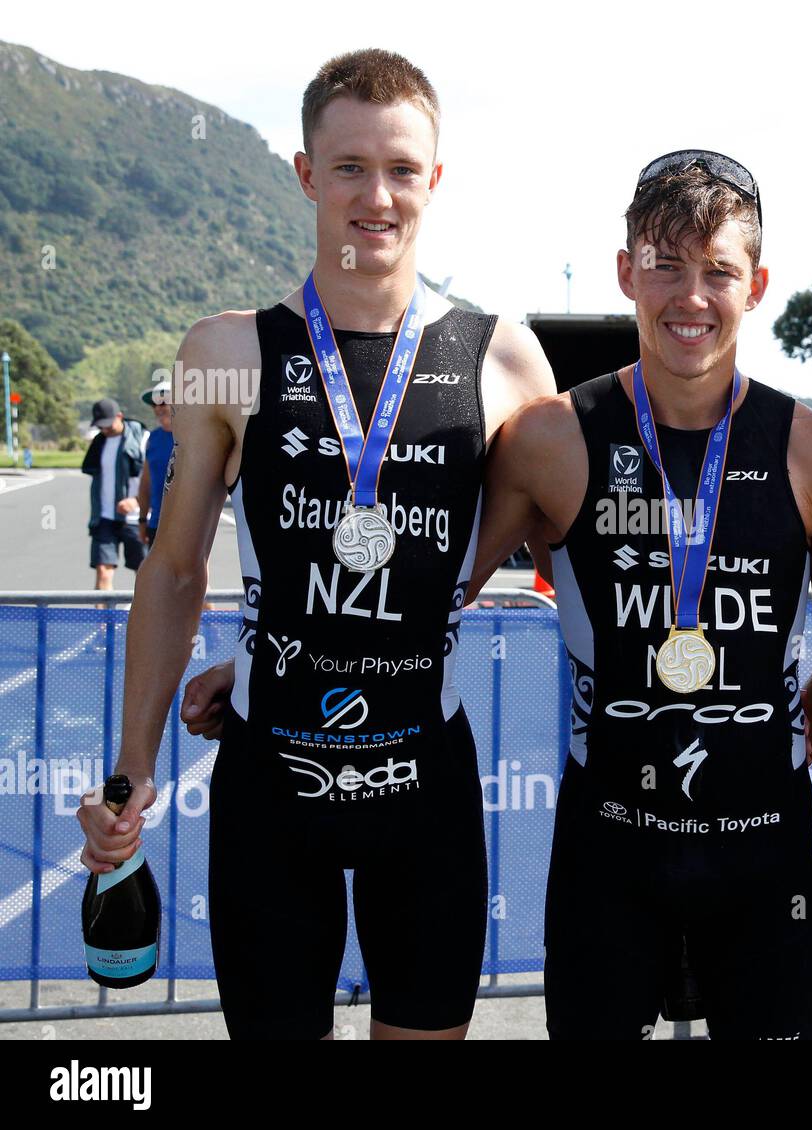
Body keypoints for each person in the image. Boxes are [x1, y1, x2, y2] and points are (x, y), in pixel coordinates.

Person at [76, 48, 554, 1041]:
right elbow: (171, 569)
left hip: (425, 790)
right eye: (347, 167)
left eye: (400, 168)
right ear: (305, 174)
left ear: (435, 178)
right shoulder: (222, 354)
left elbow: (559, 532)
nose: (375, 195)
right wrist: (129, 773)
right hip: (270, 788)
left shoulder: (505, 357)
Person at [476, 151, 812, 1038]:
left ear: (758, 282)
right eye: (664, 264)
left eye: (718, 271)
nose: (690, 296)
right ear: (627, 271)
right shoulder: (549, 439)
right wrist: (255, 660)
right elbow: (434, 588)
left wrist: (773, 749)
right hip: (608, 845)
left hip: (762, 848)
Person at [81, 397, 147, 590]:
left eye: (108, 424)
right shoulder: (99, 443)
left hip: (135, 517)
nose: (105, 429)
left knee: (143, 573)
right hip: (105, 517)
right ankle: (103, 621)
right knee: (103, 570)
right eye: (100, 426)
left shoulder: (142, 439)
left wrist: (136, 501)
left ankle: (144, 620)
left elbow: (155, 479)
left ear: (120, 416)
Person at [136, 379, 174, 546]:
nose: (158, 408)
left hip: (189, 527)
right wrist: (143, 520)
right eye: (154, 405)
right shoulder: (153, 438)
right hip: (156, 524)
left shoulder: (193, 437)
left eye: (163, 402)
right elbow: (146, 483)